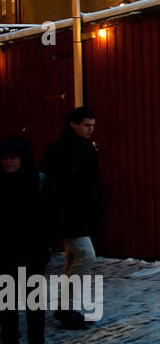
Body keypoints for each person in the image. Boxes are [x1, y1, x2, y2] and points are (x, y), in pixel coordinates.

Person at [40, 107, 105, 330]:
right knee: (86, 256)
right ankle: (65, 308)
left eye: (93, 125)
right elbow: (50, 185)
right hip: (67, 213)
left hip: (81, 212)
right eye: (87, 125)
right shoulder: (59, 150)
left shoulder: (87, 147)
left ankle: (66, 307)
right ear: (73, 124)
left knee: (74, 259)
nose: (91, 129)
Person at [1, 137, 49, 344]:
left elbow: (52, 216)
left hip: (32, 251)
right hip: (5, 251)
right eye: (5, 158)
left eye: (13, 157)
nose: (8, 162)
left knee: (33, 302)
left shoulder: (38, 183)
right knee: (6, 302)